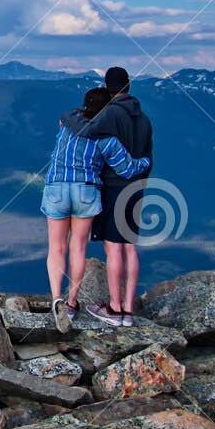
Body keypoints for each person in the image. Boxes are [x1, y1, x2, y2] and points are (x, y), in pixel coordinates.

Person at [40, 86, 151, 332]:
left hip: (57, 186)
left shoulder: (67, 125)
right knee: (77, 247)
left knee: (56, 248)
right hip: (86, 190)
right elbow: (128, 169)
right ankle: (71, 303)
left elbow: (67, 118)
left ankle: (56, 297)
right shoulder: (106, 138)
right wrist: (145, 160)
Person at [87, 66, 154, 326]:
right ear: (129, 86)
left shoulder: (110, 114)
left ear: (107, 87)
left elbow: (87, 132)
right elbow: (149, 157)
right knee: (129, 246)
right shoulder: (145, 119)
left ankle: (114, 309)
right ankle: (127, 308)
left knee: (112, 246)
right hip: (137, 187)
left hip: (113, 187)